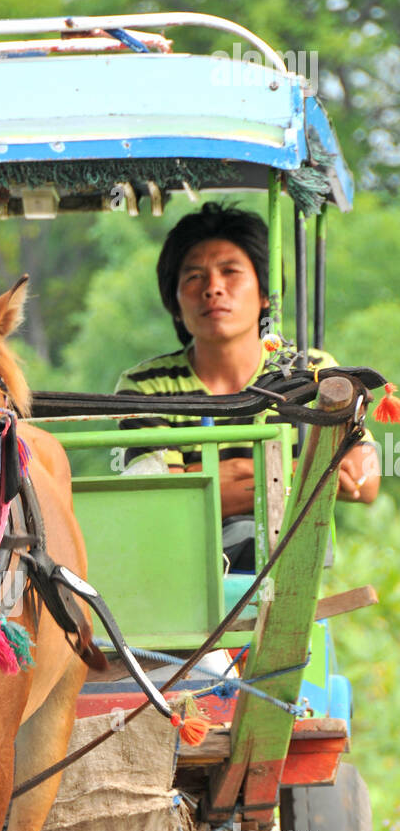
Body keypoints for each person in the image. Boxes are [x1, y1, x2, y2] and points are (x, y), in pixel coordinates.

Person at [115, 202, 379, 570]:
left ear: (265, 295)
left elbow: (363, 479)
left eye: (231, 272)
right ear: (174, 302)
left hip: (291, 570)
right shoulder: (145, 386)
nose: (213, 289)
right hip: (180, 570)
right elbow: (165, 503)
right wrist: (301, 474)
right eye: (193, 277)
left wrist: (205, 480)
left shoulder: (313, 372)